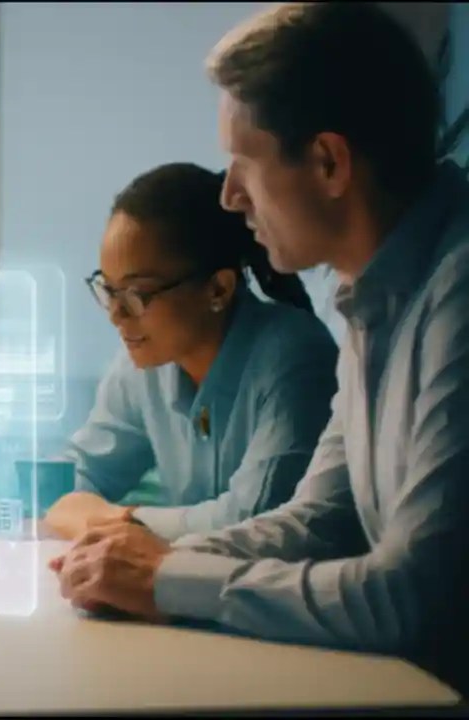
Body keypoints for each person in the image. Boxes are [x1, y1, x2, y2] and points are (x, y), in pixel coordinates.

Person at [50, 2, 469, 695]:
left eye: (242, 162)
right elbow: (319, 518)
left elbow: (407, 596)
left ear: (329, 162)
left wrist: (167, 578)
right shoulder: (371, 300)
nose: (230, 198)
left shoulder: (455, 292)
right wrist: (141, 564)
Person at [42, 162, 338, 542]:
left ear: (218, 289)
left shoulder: (295, 357)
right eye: (109, 290)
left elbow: (258, 517)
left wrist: (119, 520)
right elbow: (76, 474)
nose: (116, 315)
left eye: (136, 294)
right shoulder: (141, 370)